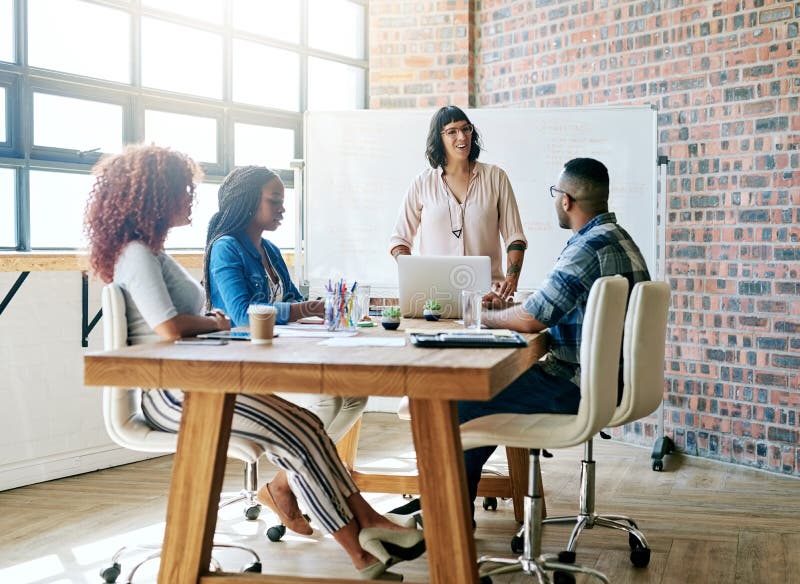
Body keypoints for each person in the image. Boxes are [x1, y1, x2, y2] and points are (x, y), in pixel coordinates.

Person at [84, 145, 423, 581]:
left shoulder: (150, 252)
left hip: (197, 381)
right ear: (154, 195)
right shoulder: (135, 252)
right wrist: (213, 320)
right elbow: (169, 327)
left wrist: (213, 322)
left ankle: (369, 528)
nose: (191, 199)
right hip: (171, 393)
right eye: (182, 190)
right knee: (299, 433)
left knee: (309, 426)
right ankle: (361, 551)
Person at [457, 157, 651, 520]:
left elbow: (532, 320)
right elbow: (550, 302)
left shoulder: (587, 247)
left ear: (566, 200)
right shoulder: (619, 240)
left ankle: (450, 518)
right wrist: (508, 310)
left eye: (554, 193)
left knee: (464, 399)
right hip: (614, 384)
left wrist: (485, 316)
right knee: (486, 390)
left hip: (577, 385)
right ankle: (453, 503)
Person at [203, 165, 369, 534]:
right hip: (245, 364)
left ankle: (281, 483)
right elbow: (240, 314)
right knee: (326, 400)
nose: (281, 208)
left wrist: (328, 318)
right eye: (274, 201)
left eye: (282, 200)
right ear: (248, 202)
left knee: (356, 394)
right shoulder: (226, 248)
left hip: (282, 357)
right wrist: (300, 310)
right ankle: (290, 484)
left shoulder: (272, 250)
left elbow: (293, 302)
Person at [389, 105, 528, 299]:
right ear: (439, 139)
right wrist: (417, 277)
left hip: (488, 297)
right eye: (452, 131)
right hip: (435, 298)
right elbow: (399, 242)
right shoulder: (422, 183)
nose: (462, 137)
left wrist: (511, 281)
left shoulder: (496, 177)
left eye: (466, 129)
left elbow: (515, 237)